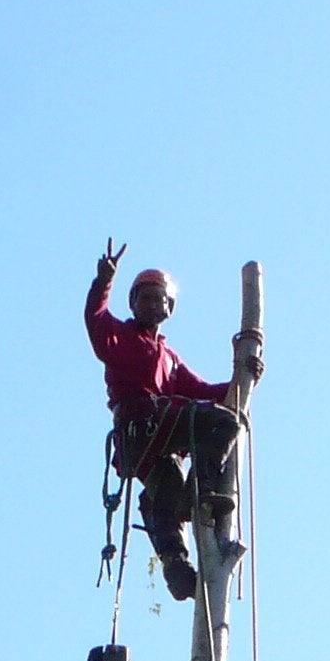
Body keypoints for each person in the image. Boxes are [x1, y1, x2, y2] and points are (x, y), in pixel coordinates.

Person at [85, 242, 254, 601]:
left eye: (158, 299)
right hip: (142, 426)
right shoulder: (122, 338)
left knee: (166, 496)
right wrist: (103, 284)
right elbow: (96, 323)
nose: (151, 304)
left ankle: (177, 569)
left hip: (155, 442)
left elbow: (208, 392)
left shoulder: (169, 359)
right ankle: (204, 492)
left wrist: (244, 377)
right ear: (132, 304)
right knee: (222, 424)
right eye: (144, 298)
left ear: (169, 307)